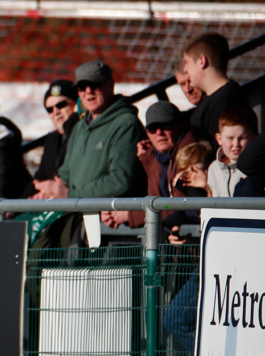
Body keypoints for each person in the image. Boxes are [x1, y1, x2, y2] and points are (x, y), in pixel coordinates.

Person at [33, 60, 146, 201]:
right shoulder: (79, 127)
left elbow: (120, 180)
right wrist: (50, 191)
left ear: (111, 84)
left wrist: (71, 195)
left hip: (107, 213)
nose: (88, 92)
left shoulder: (126, 124)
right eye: (81, 87)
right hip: (75, 209)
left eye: (94, 85)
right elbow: (65, 173)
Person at [100, 101, 202, 230]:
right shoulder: (154, 157)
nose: (159, 132)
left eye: (166, 125)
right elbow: (156, 202)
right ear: (147, 133)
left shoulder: (193, 155)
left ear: (181, 125)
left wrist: (130, 215)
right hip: (171, 234)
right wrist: (116, 212)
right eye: (153, 128)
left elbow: (178, 208)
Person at [183, 32, 251, 143]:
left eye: (187, 62)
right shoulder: (218, 100)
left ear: (202, 61)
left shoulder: (225, 104)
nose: (185, 69)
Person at [22, 80, 79, 198]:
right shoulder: (52, 140)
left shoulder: (83, 136)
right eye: (50, 109)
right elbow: (40, 177)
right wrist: (20, 204)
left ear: (76, 105)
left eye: (61, 105)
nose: (56, 112)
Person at [207, 108, 258, 197]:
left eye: (242, 138)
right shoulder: (214, 168)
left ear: (253, 139)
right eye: (230, 138)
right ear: (219, 139)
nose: (236, 144)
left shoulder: (258, 169)